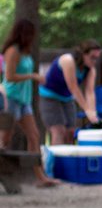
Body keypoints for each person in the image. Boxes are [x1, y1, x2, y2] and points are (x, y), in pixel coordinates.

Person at [1, 20, 59, 186]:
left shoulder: (26, 52)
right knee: (4, 139)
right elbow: (10, 77)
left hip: (24, 101)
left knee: (34, 136)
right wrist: (32, 76)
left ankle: (40, 176)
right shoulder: (12, 51)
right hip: (11, 98)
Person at [37, 40, 100, 146]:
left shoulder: (90, 70)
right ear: (83, 54)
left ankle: (69, 160)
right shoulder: (68, 60)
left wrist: (93, 113)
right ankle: (57, 161)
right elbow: (73, 87)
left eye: (97, 58)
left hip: (66, 98)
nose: (95, 61)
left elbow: (90, 92)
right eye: (92, 57)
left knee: (70, 132)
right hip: (49, 96)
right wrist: (87, 109)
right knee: (58, 130)